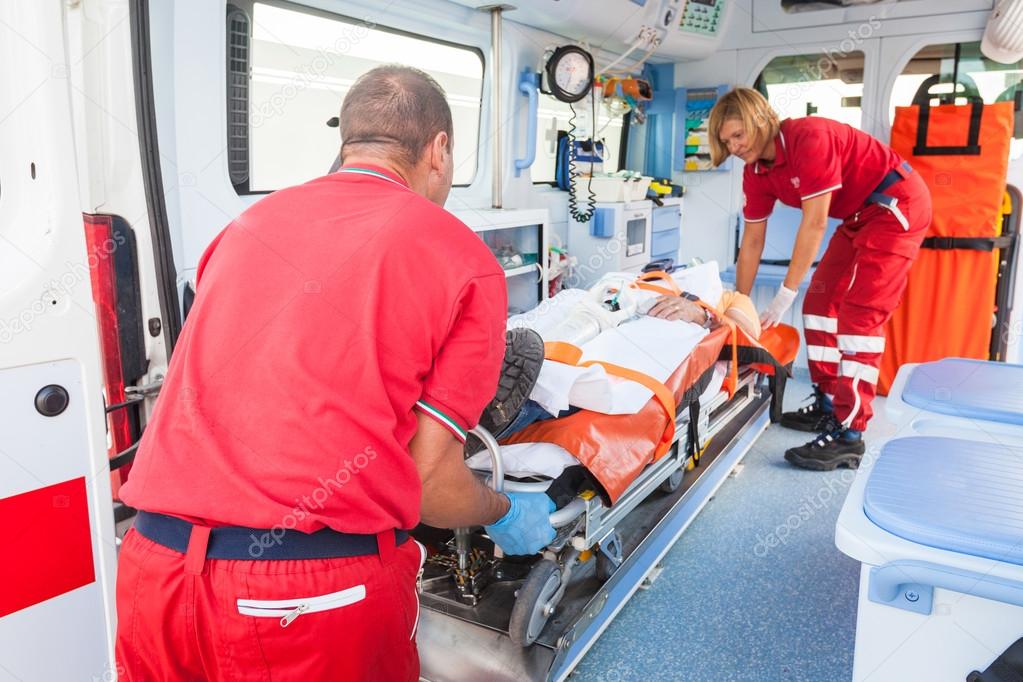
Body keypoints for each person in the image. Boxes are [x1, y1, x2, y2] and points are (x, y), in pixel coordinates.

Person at [114, 65, 555, 681]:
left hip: (151, 572)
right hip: (301, 601)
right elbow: (431, 485)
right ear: (440, 149)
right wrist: (501, 510)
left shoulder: (242, 230)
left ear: (346, 142)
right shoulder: (462, 259)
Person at [707, 87, 932, 470]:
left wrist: (784, 293)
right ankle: (829, 400)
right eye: (726, 141)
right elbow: (753, 241)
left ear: (759, 119)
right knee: (820, 303)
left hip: (896, 205)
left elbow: (813, 223)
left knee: (859, 318)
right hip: (860, 216)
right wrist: (738, 307)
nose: (733, 147)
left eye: (738, 135)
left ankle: (849, 432)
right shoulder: (757, 172)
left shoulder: (808, 138)